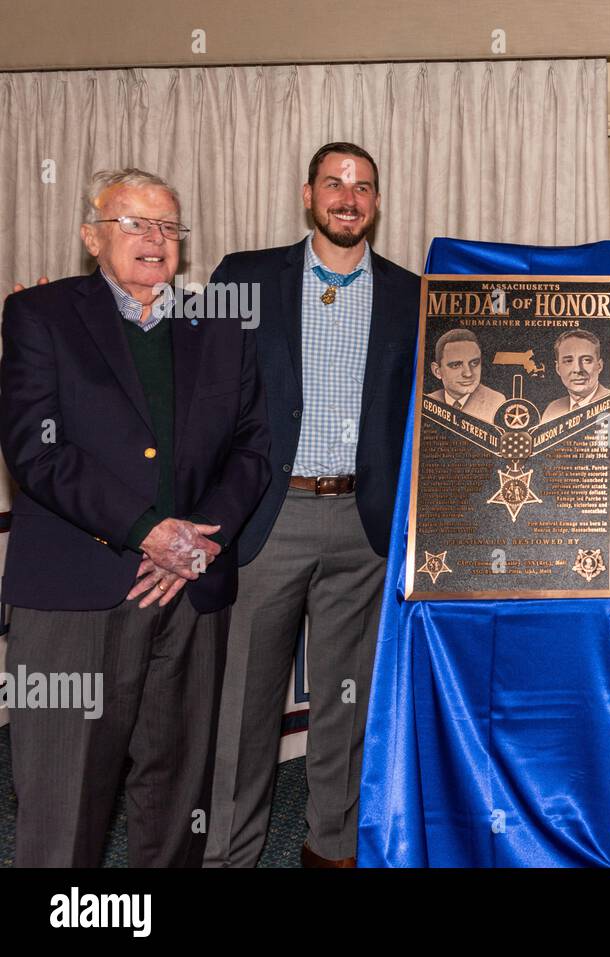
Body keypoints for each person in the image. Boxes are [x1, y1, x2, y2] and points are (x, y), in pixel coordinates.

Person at [0, 167, 271, 866]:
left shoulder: (221, 326)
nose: (154, 239)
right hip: (78, 597)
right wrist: (148, 531)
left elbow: (252, 447)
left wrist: (197, 544)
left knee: (179, 802)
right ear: (93, 236)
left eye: (167, 226)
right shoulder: (40, 315)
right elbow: (36, 451)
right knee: (65, 807)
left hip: (192, 594)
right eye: (134, 222)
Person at [203, 143, 421, 868]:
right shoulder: (245, 275)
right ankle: (229, 853)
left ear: (377, 203)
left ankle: (333, 849)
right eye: (335, 183)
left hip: (364, 527)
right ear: (308, 195)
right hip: (269, 519)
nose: (349, 197)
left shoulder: (410, 294)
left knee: (346, 704)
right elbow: (196, 384)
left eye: (363, 186)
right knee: (243, 704)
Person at [428, 328, 506, 420]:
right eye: (456, 365)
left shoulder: (496, 402)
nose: (468, 374)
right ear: (437, 371)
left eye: (474, 363)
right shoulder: (428, 401)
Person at [540, 329, 610, 421]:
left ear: (599, 366)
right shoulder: (552, 410)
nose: (577, 369)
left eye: (586, 360)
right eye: (568, 361)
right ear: (558, 368)